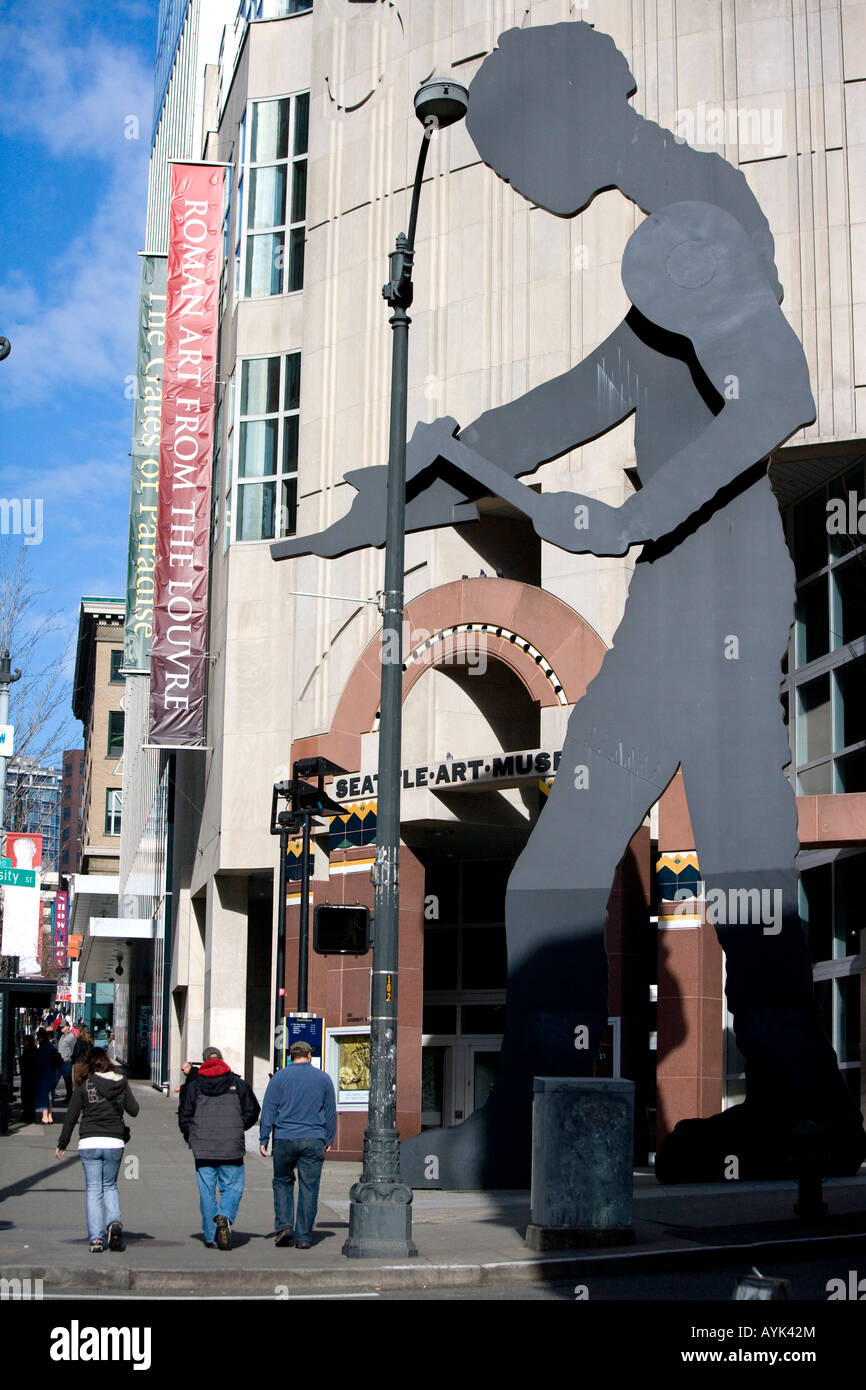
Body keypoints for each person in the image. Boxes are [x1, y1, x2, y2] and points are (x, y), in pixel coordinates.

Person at [277, 20, 866, 1187]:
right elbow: (573, 400)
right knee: (741, 859)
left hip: (704, 569)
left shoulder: (691, 220)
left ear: (560, 120)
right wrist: (397, 496)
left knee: (566, 861)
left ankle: (529, 1126)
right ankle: (800, 1108)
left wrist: (640, 516)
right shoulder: (675, 220)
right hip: (710, 572)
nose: (509, 179)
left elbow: (778, 392)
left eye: (503, 153)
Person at [54, 1047, 139, 1253]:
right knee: (110, 1185)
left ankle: (96, 1239)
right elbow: (134, 1110)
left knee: (93, 1190)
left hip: (90, 1141)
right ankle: (114, 1222)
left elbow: (72, 1116)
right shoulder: (121, 1081)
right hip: (114, 1141)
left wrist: (62, 1144)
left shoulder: (84, 1084)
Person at [178, 1047, 259, 1250]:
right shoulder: (237, 1083)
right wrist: (239, 1126)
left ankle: (211, 1234)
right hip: (231, 1145)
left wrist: (191, 1135)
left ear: (203, 1062)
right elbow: (252, 1110)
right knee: (233, 1186)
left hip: (202, 1146)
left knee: (206, 1191)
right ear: (222, 1060)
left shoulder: (194, 1085)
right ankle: (225, 1216)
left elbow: (184, 1115)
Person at [259, 1041, 336, 1249]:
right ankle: (303, 1237)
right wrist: (329, 1138)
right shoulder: (323, 1078)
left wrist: (264, 1137)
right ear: (309, 1055)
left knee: (282, 1181)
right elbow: (330, 1111)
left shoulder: (279, 1078)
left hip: (285, 1138)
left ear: (290, 1056)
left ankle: (284, 1226)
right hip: (313, 1138)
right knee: (309, 1188)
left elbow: (269, 1109)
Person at [34, 1028, 61, 1125]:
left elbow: (40, 1062)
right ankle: (50, 1116)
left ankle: (45, 1116)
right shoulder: (51, 1046)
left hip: (44, 1074)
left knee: (44, 1095)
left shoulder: (43, 1048)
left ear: (40, 1037)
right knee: (50, 1095)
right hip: (52, 1073)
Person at [57, 1020, 77, 1103]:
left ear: (67, 1027)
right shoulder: (62, 1036)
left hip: (66, 1061)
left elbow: (74, 1049)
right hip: (60, 1061)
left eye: (63, 1027)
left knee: (67, 1080)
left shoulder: (71, 1037)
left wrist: (72, 1059)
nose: (61, 1028)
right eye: (61, 1027)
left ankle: (70, 1097)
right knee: (56, 1079)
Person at [19, 1034, 37, 1123]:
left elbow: (28, 1064)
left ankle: (27, 1116)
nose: (23, 1042)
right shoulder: (32, 1050)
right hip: (29, 1077)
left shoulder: (29, 1051)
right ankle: (29, 1115)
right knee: (28, 1098)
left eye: (24, 1040)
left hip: (28, 1077)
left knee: (27, 1097)